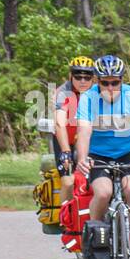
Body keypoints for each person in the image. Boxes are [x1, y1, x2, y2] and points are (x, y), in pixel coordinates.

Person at [73, 55, 130, 224]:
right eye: (105, 83)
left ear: (121, 81)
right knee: (103, 192)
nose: (110, 88)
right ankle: (96, 233)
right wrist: (82, 158)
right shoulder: (88, 98)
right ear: (98, 81)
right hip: (98, 155)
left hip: (128, 152)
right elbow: (84, 131)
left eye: (115, 83)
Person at [53, 56, 96, 202]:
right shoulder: (63, 92)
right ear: (70, 76)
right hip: (66, 140)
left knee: (93, 179)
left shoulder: (98, 92)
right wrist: (65, 152)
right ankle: (65, 219)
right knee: (68, 181)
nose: (82, 81)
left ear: (93, 78)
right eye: (78, 77)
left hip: (86, 140)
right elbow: (59, 123)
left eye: (87, 77)